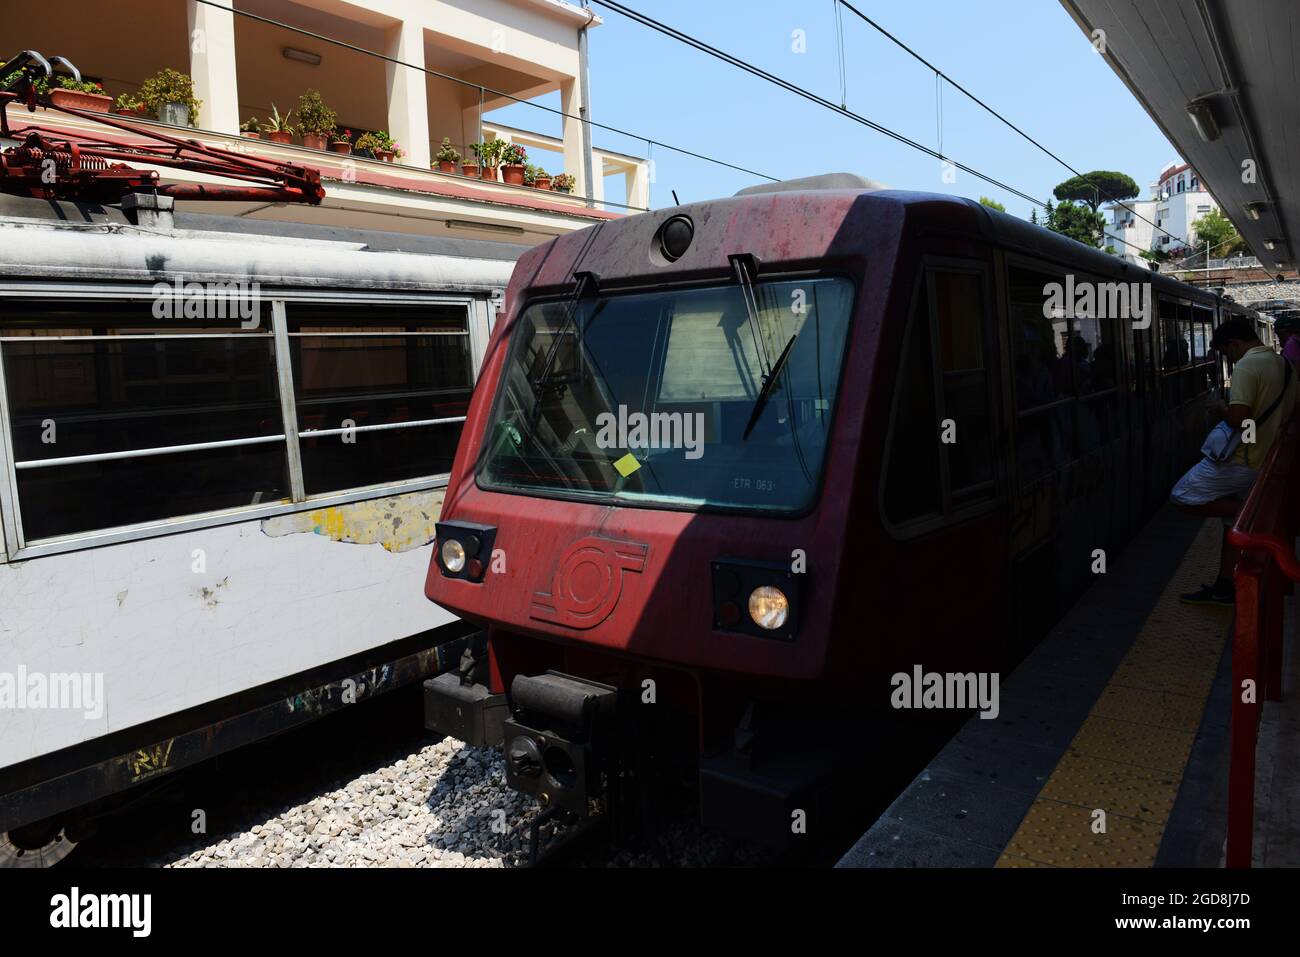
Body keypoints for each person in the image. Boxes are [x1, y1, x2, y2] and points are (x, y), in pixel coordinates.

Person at [1172, 318, 1295, 606]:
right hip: (1267, 458)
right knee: (1229, 525)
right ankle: (1225, 586)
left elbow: (1240, 419)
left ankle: (1249, 514)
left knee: (1183, 496)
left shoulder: (1246, 367)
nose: (1229, 358)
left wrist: (1221, 408)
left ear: (1235, 344)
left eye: (1228, 352)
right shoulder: (1285, 366)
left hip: (1242, 459)